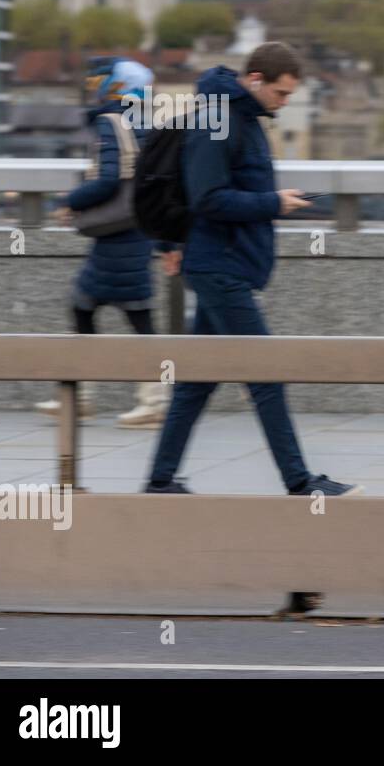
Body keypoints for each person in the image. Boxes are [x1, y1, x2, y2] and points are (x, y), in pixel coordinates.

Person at [145, 42, 358, 495]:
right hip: (219, 266)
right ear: (255, 80)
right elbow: (207, 197)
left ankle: (160, 479)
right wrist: (274, 202)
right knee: (265, 372)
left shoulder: (246, 118)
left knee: (195, 383)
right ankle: (300, 482)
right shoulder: (219, 120)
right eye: (281, 94)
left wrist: (274, 200)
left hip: (228, 264)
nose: (285, 103)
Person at [36, 57, 175, 427]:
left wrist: (71, 201)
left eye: (96, 80)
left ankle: (96, 396)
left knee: (97, 308)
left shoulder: (112, 121)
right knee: (116, 310)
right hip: (137, 230)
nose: (90, 87)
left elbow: (109, 179)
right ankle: (138, 397)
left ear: (114, 85)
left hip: (118, 234)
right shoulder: (145, 119)